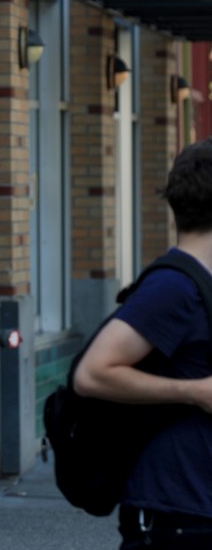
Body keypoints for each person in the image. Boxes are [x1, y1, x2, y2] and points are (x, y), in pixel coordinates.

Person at [74, 137, 212, 549]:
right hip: (178, 516)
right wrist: (196, 393)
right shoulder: (174, 286)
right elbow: (92, 373)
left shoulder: (197, 284)